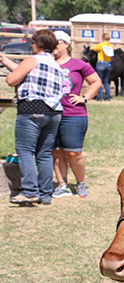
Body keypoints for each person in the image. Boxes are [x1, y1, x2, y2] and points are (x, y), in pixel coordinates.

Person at [0, 30, 64, 205]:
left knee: (25, 151)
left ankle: (29, 190)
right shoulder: (56, 65)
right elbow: (27, 71)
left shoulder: (32, 60)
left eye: (33, 43)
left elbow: (12, 79)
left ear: (39, 44)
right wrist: (5, 60)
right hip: (54, 113)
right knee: (44, 154)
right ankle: (45, 194)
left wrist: (10, 74)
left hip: (31, 109)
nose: (31, 45)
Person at [51, 30, 102, 199]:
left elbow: (96, 81)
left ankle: (80, 183)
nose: (53, 45)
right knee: (56, 152)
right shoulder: (47, 63)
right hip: (51, 112)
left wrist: (84, 97)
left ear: (66, 44)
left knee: (73, 152)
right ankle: (62, 184)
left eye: (57, 42)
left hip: (73, 114)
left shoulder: (78, 64)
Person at [91, 32, 114, 101]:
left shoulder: (101, 45)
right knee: (106, 81)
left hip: (101, 64)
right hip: (108, 64)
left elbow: (92, 49)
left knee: (99, 81)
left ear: (103, 38)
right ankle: (108, 97)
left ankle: (100, 97)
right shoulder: (110, 46)